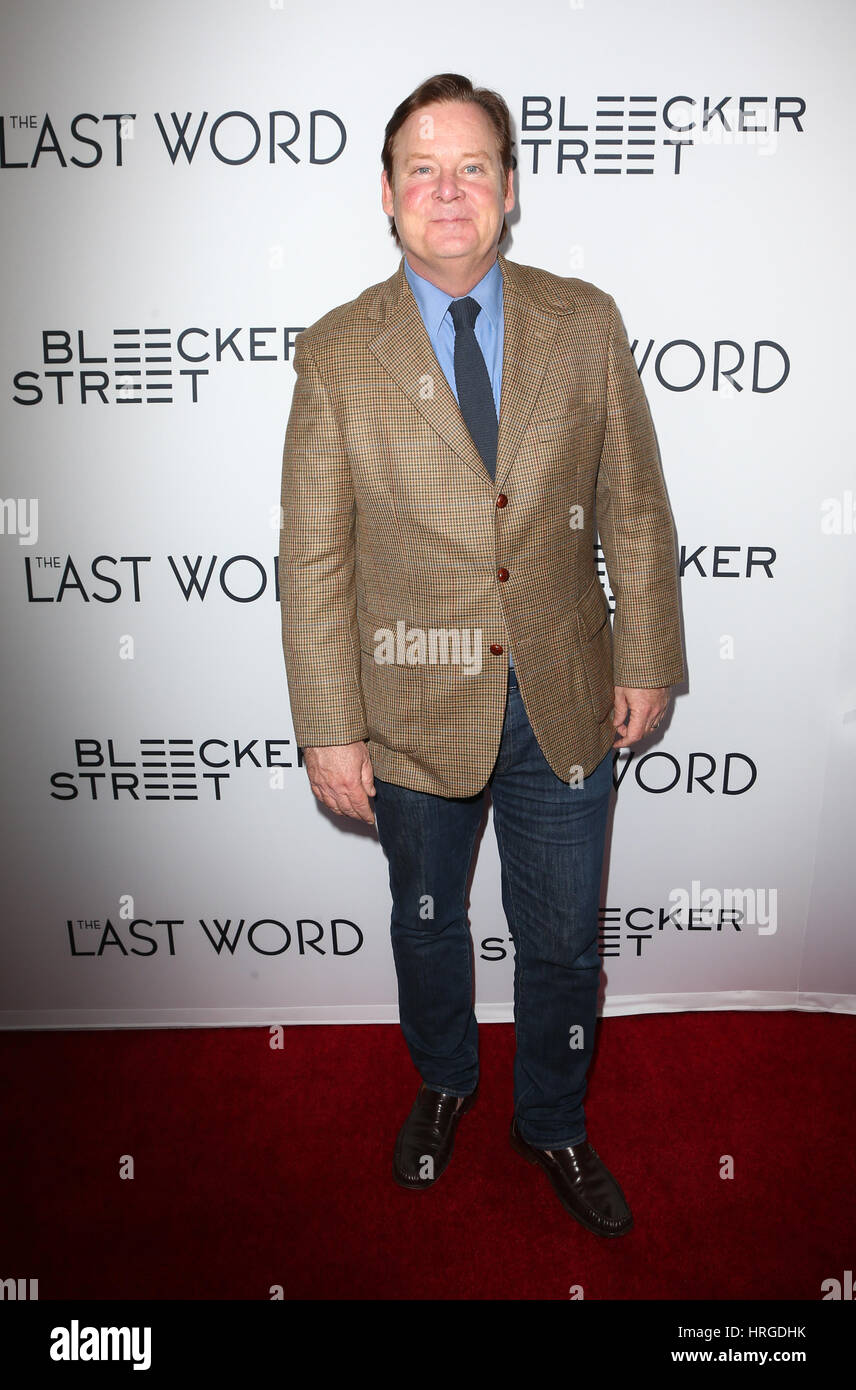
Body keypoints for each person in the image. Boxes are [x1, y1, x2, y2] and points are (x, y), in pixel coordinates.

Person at [278, 72, 684, 1237]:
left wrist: (646, 650)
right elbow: (315, 556)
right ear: (389, 197)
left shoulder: (585, 319)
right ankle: (446, 1078)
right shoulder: (337, 351)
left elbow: (637, 510)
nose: (446, 191)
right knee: (425, 919)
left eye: (470, 168)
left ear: (509, 190)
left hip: (564, 695)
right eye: (421, 168)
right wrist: (329, 726)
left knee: (562, 937)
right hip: (407, 707)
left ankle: (551, 1115)